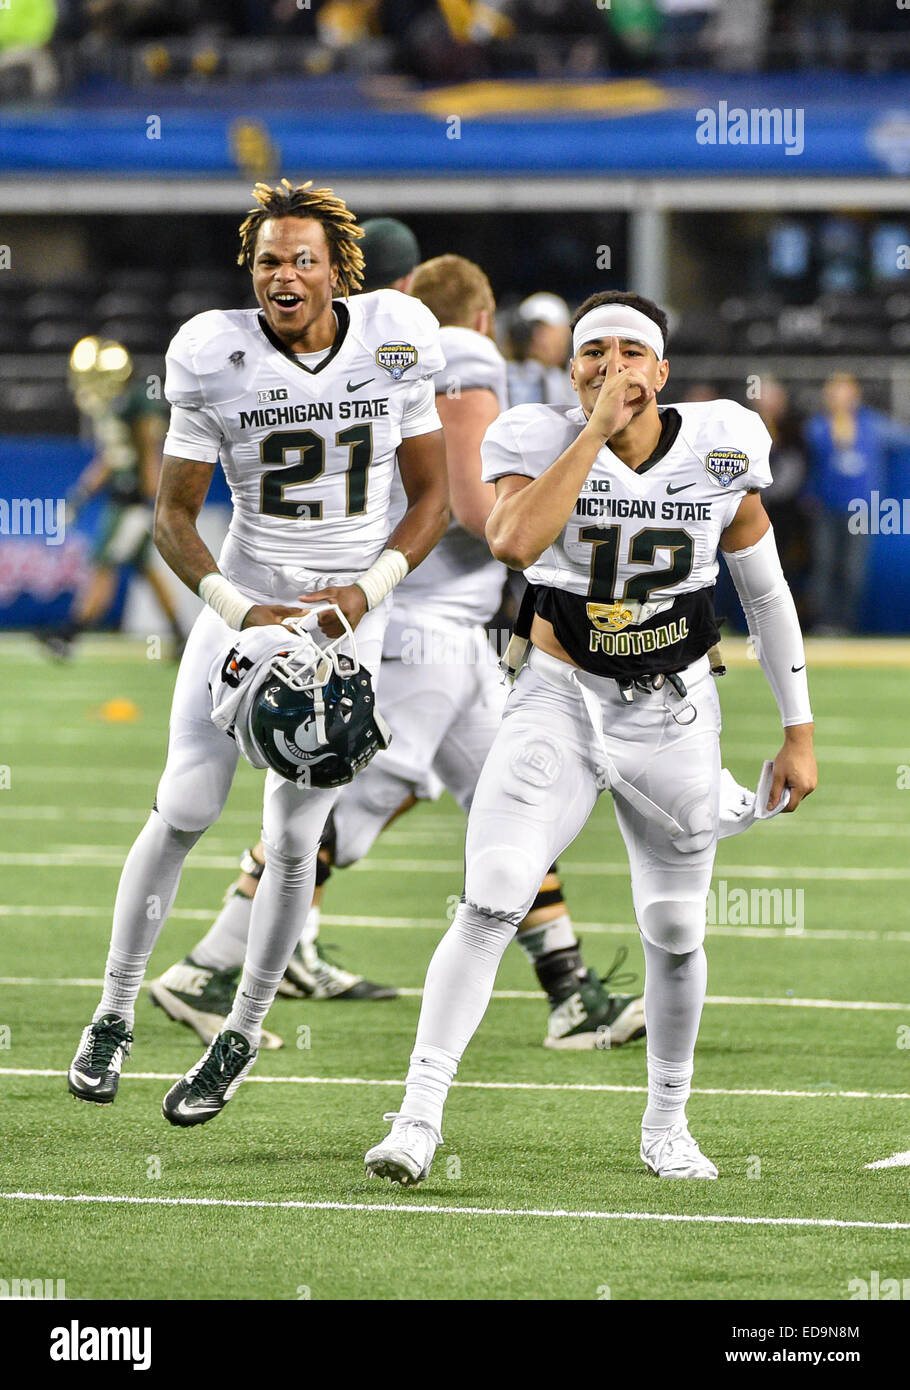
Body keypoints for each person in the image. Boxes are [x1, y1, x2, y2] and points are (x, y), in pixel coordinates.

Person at [364, 289, 817, 1185]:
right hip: (558, 700)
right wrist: (593, 433)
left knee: (677, 926)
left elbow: (764, 596)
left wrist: (798, 731)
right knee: (493, 891)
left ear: (662, 370)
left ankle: (668, 1123)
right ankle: (416, 1117)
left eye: (628, 353)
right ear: (570, 372)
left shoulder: (724, 442)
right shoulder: (535, 437)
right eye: (590, 355)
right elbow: (514, 543)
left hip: (674, 711)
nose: (610, 367)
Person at [150, 251, 647, 1051]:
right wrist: (557, 515)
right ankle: (209, 966)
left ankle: (571, 990)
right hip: (424, 631)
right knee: (352, 806)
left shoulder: (381, 357)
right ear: (484, 320)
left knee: (512, 804)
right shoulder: (463, 354)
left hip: (444, 631)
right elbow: (469, 505)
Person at [66, 178, 449, 1126]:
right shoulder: (214, 351)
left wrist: (363, 596)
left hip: (351, 616)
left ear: (337, 270)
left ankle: (237, 1032)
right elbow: (172, 518)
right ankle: (114, 1008)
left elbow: (437, 501)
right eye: (269, 259)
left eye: (302, 259)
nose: (284, 273)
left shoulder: (397, 338)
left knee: (291, 839)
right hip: (243, 606)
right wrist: (245, 612)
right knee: (186, 803)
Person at [37, 336, 185, 660]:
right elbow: (111, 456)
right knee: (144, 568)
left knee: (103, 562)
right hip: (123, 494)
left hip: (133, 499)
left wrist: (150, 501)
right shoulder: (116, 402)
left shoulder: (137, 401)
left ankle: (69, 633)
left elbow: (150, 452)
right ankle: (180, 635)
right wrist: (82, 493)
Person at [804, 373, 906, 633]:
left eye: (844, 391)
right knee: (824, 565)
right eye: (834, 391)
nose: (839, 397)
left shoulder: (873, 424)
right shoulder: (819, 425)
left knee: (852, 570)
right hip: (826, 507)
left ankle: (845, 624)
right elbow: (812, 445)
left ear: (855, 395)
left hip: (861, 510)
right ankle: (823, 623)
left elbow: (903, 437)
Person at [506, 293, 576, 409]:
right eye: (536, 331)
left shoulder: (572, 379)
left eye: (544, 332)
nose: (539, 340)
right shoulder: (507, 376)